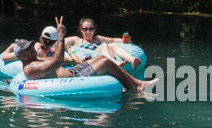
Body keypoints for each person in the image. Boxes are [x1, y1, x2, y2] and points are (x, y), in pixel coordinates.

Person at [15, 16, 154, 95]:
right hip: (73, 78)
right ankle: (137, 87)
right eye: (28, 48)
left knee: (104, 58)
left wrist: (75, 59)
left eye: (30, 45)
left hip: (72, 71)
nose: (32, 48)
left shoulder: (34, 59)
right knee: (106, 63)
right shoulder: (30, 68)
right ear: (21, 55)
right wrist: (61, 37)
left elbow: (57, 60)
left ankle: (138, 83)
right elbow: (57, 61)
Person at [63, 17, 139, 67]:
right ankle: (114, 63)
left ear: (94, 30)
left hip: (103, 53)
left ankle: (132, 60)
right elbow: (62, 42)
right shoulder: (77, 40)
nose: (88, 31)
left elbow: (113, 40)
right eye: (85, 29)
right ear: (81, 30)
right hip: (93, 57)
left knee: (112, 45)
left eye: (91, 29)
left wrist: (125, 41)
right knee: (104, 45)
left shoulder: (98, 38)